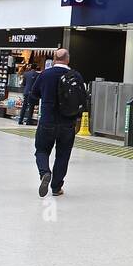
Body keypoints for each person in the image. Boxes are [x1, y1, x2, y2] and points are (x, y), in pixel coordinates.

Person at [27, 47, 84, 198]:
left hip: (47, 120)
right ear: (68, 59)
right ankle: (56, 187)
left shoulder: (45, 74)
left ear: (53, 59)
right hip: (68, 123)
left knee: (41, 150)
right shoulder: (76, 76)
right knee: (63, 155)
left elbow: (33, 95)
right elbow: (83, 99)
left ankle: (45, 172)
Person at [18, 60, 41, 126]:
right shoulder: (37, 75)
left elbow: (23, 83)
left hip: (26, 92)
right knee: (31, 106)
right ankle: (28, 121)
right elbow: (38, 85)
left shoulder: (26, 74)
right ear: (36, 67)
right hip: (32, 93)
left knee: (24, 106)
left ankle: (20, 120)